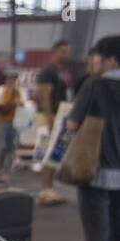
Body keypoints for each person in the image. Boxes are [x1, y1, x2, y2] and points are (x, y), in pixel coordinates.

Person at [66, 34, 120, 241]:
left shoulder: (95, 86)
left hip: (96, 170)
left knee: (98, 234)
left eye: (96, 56)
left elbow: (73, 125)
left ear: (110, 59)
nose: (92, 61)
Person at [35, 40, 72, 206]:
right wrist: (50, 117)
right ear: (54, 52)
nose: (66, 55)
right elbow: (44, 95)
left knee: (55, 153)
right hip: (47, 117)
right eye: (63, 52)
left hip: (60, 115)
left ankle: (49, 188)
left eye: (68, 52)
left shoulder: (63, 71)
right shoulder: (48, 71)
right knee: (45, 153)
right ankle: (45, 190)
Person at [0, 71, 23, 177]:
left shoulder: (18, 92)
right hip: (2, 121)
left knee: (11, 146)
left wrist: (19, 103)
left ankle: (7, 169)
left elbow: (23, 104)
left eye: (14, 79)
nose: (12, 81)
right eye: (10, 79)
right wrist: (9, 103)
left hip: (15, 121)